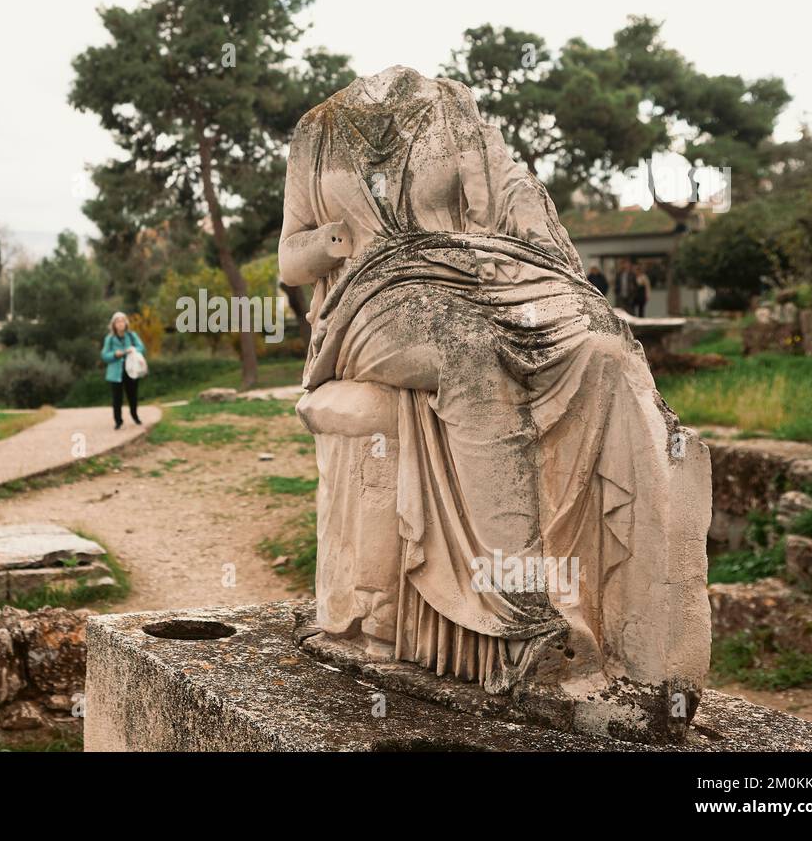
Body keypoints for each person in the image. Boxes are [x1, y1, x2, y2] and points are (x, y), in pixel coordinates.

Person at [280, 66, 679, 695]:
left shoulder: (449, 107)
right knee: (467, 355)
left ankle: (627, 610)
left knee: (600, 342)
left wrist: (525, 210)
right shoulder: (318, 131)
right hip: (371, 298)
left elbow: (508, 190)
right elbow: (290, 259)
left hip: (480, 274)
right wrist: (331, 242)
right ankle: (520, 610)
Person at [101, 311, 145, 429]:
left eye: (122, 321)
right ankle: (118, 421)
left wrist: (133, 349)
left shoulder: (131, 335)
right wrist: (115, 354)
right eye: (117, 321)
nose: (120, 324)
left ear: (126, 323)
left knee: (133, 395)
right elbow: (104, 355)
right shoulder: (109, 339)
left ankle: (134, 415)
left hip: (131, 370)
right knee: (117, 398)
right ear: (113, 324)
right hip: (116, 373)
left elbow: (141, 348)